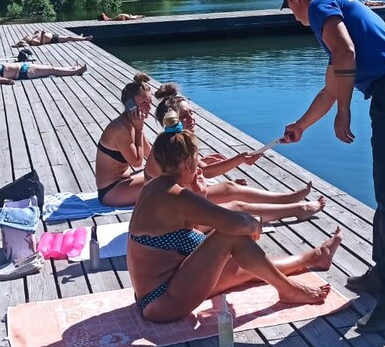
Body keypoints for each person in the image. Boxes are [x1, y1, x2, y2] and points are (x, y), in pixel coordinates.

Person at [281, 0, 385, 332]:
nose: (296, 18)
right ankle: (384, 275)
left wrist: (344, 112)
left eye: (291, 11)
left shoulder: (320, 5)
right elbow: (334, 82)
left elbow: (346, 54)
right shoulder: (337, 5)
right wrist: (301, 126)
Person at [128, 109, 341, 322]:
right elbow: (238, 225)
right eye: (197, 159)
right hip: (163, 302)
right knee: (232, 236)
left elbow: (184, 230)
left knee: (246, 268)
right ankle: (289, 290)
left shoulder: (156, 187)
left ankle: (313, 258)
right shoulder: (177, 196)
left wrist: (200, 194)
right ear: (188, 164)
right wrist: (254, 224)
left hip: (163, 290)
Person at [149, 83, 323, 221]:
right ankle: (298, 209)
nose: (191, 119)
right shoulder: (172, 145)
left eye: (191, 113)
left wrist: (238, 159)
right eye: (184, 117)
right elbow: (207, 173)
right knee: (236, 207)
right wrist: (240, 159)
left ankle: (285, 199)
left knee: (230, 187)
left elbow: (200, 168)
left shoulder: (174, 140)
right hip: (169, 213)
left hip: (178, 201)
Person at [94, 73, 154, 206]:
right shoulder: (120, 128)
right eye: (144, 103)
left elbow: (150, 154)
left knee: (169, 174)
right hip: (111, 192)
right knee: (163, 182)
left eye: (150, 102)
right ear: (129, 104)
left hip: (125, 182)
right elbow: (137, 162)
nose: (149, 108)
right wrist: (139, 130)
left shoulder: (133, 123)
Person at [0, 61, 87, 85]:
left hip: (23, 65)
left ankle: (71, 68)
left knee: (50, 67)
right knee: (51, 70)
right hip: (24, 72)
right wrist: (9, 81)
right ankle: (76, 71)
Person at [13, 29, 93, 48]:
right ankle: (84, 38)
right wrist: (42, 35)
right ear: (26, 41)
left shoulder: (32, 36)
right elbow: (42, 43)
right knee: (69, 38)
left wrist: (38, 32)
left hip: (53, 35)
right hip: (53, 39)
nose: (26, 37)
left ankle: (79, 37)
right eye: (25, 38)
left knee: (68, 37)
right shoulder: (33, 41)